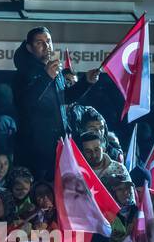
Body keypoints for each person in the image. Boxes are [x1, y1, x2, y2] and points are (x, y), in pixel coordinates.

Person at [12, 27, 99, 179]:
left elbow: (63, 98)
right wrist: (46, 77)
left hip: (59, 145)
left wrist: (86, 82)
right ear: (29, 47)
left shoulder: (53, 69)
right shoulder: (23, 73)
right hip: (35, 150)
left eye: (49, 41)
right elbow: (25, 103)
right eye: (40, 42)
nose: (47, 46)